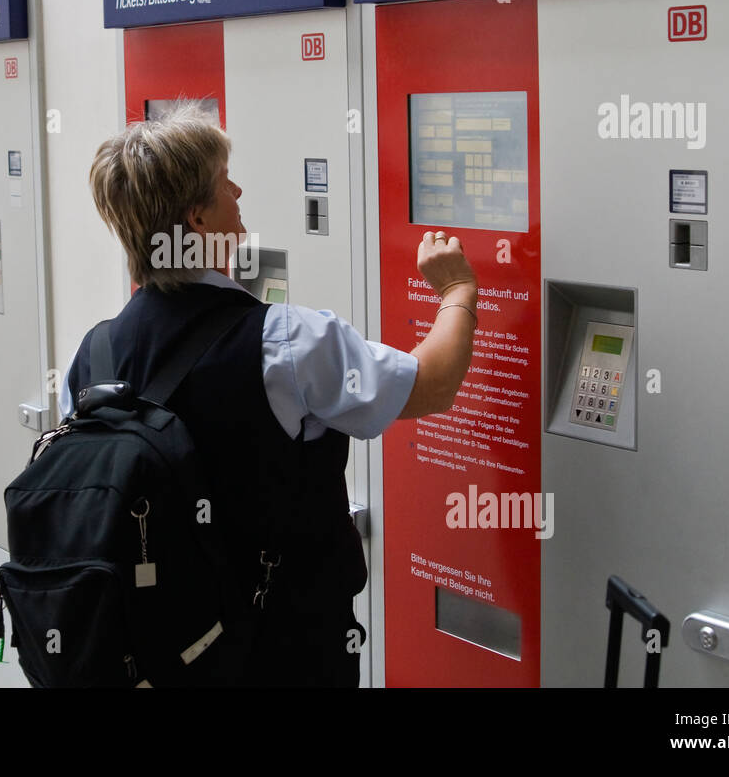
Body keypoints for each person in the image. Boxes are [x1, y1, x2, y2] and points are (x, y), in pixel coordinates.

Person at [59, 103, 478, 686]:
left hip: (154, 650)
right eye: (221, 182)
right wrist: (457, 290)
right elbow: (432, 385)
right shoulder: (284, 341)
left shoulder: (91, 357)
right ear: (197, 221)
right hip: (283, 649)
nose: (238, 188)